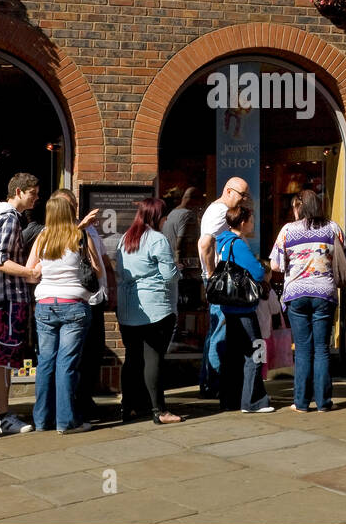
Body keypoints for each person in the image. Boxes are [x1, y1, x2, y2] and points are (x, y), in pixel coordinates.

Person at [269, 189, 346, 413]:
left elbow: (275, 264)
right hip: (324, 293)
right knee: (322, 349)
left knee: (304, 350)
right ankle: (324, 403)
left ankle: (302, 403)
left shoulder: (288, 230)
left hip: (296, 294)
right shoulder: (332, 228)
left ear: (300, 207)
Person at [27, 193, 102, 433]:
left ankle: (41, 420)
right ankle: (66, 422)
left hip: (45, 305)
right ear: (69, 213)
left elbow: (31, 271)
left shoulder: (42, 237)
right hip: (73, 305)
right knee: (66, 364)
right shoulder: (80, 236)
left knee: (46, 362)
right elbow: (98, 271)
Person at [0, 173, 42, 435]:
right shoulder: (9, 220)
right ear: (18, 192)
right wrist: (30, 273)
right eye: (33, 193)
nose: (36, 198)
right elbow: (0, 261)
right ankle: (4, 415)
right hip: (8, 297)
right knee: (4, 357)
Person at [115, 198, 182, 425]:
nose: (165, 221)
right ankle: (159, 411)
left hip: (128, 309)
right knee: (153, 359)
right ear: (156, 216)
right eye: (164, 216)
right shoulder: (157, 239)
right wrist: (177, 269)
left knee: (132, 359)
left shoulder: (125, 239)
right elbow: (169, 275)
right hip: (154, 308)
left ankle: (129, 407)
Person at [53, 187, 108, 422]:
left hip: (95, 298)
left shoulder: (89, 228)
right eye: (67, 205)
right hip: (72, 302)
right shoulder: (55, 231)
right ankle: (72, 405)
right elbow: (59, 248)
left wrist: (110, 285)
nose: (72, 208)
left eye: (73, 204)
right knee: (74, 356)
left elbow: (102, 259)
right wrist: (81, 227)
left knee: (94, 353)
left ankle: (86, 398)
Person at [215, 204, 273, 413]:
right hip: (243, 308)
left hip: (229, 307)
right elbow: (257, 272)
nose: (253, 223)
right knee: (256, 350)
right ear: (242, 222)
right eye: (251, 220)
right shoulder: (238, 244)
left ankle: (231, 400)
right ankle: (253, 401)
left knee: (233, 356)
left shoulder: (223, 242)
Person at [197, 178, 250, 396]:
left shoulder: (217, 210)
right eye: (241, 195)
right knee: (220, 331)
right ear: (228, 191)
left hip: (218, 279)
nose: (244, 200)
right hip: (220, 280)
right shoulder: (219, 211)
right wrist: (210, 274)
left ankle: (209, 382)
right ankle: (214, 384)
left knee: (215, 331)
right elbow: (205, 243)